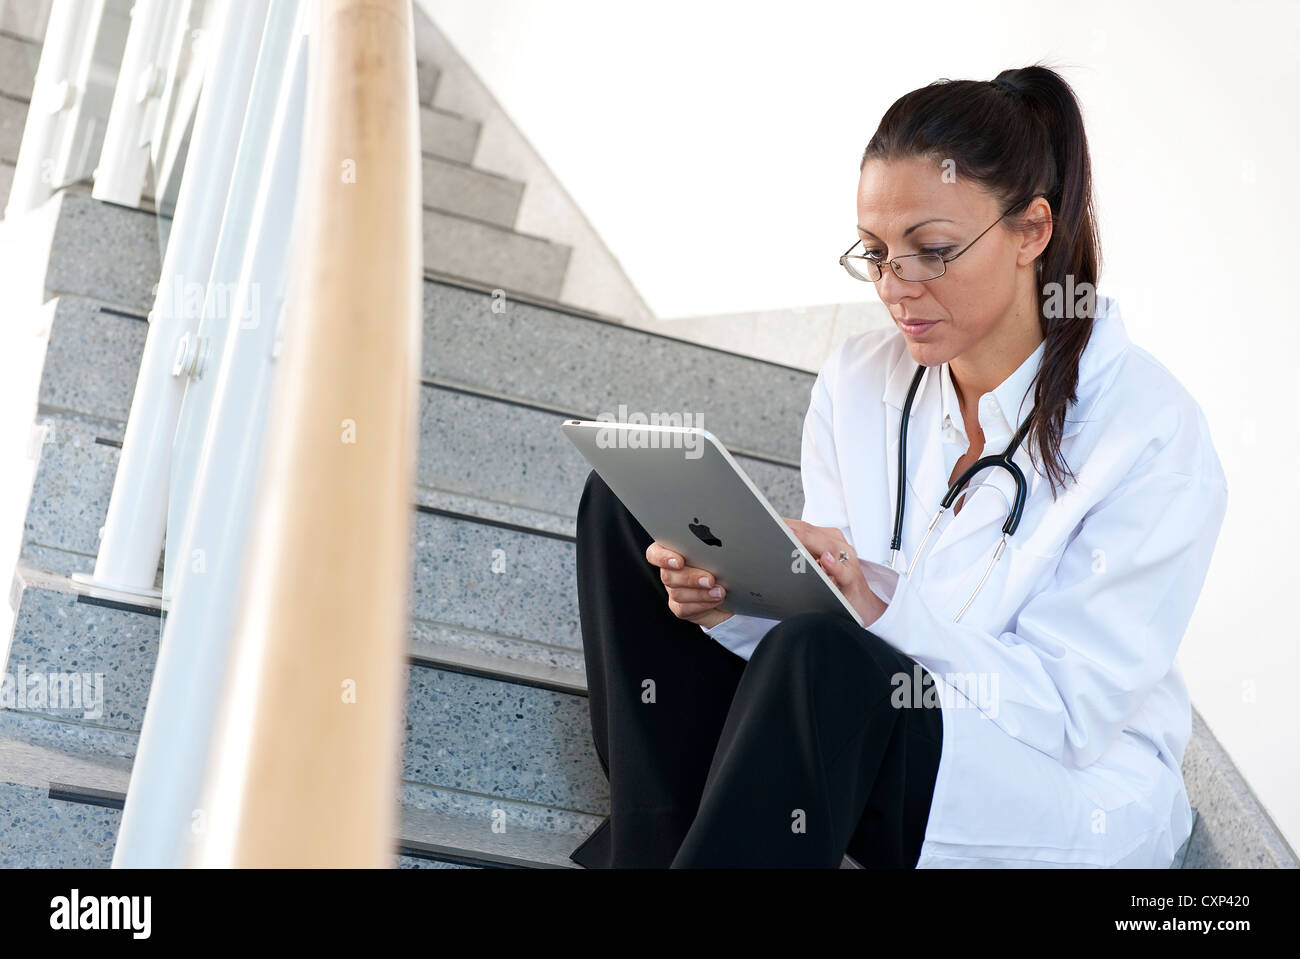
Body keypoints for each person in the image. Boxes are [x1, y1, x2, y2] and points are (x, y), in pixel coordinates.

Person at [569, 62, 1228, 868]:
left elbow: (1068, 711)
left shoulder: (1152, 431)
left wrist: (880, 609)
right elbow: (812, 620)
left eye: (933, 251)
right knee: (629, 502)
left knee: (829, 660)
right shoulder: (859, 377)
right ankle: (660, 846)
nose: (896, 286)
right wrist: (721, 601)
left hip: (1056, 782)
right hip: (857, 713)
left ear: (1032, 230)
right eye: (876, 253)